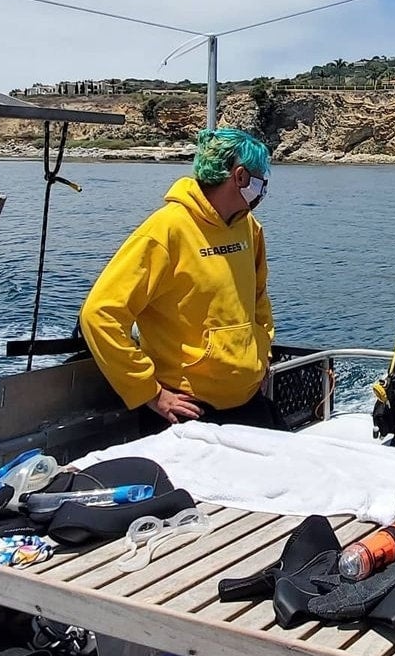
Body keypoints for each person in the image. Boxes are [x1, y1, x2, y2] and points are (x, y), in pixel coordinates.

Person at [81, 127, 280, 431]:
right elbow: (100, 314)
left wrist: (262, 354)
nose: (264, 185)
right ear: (240, 177)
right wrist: (150, 392)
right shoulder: (165, 231)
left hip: (248, 398)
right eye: (260, 176)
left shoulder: (248, 228)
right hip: (187, 406)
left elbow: (258, 297)